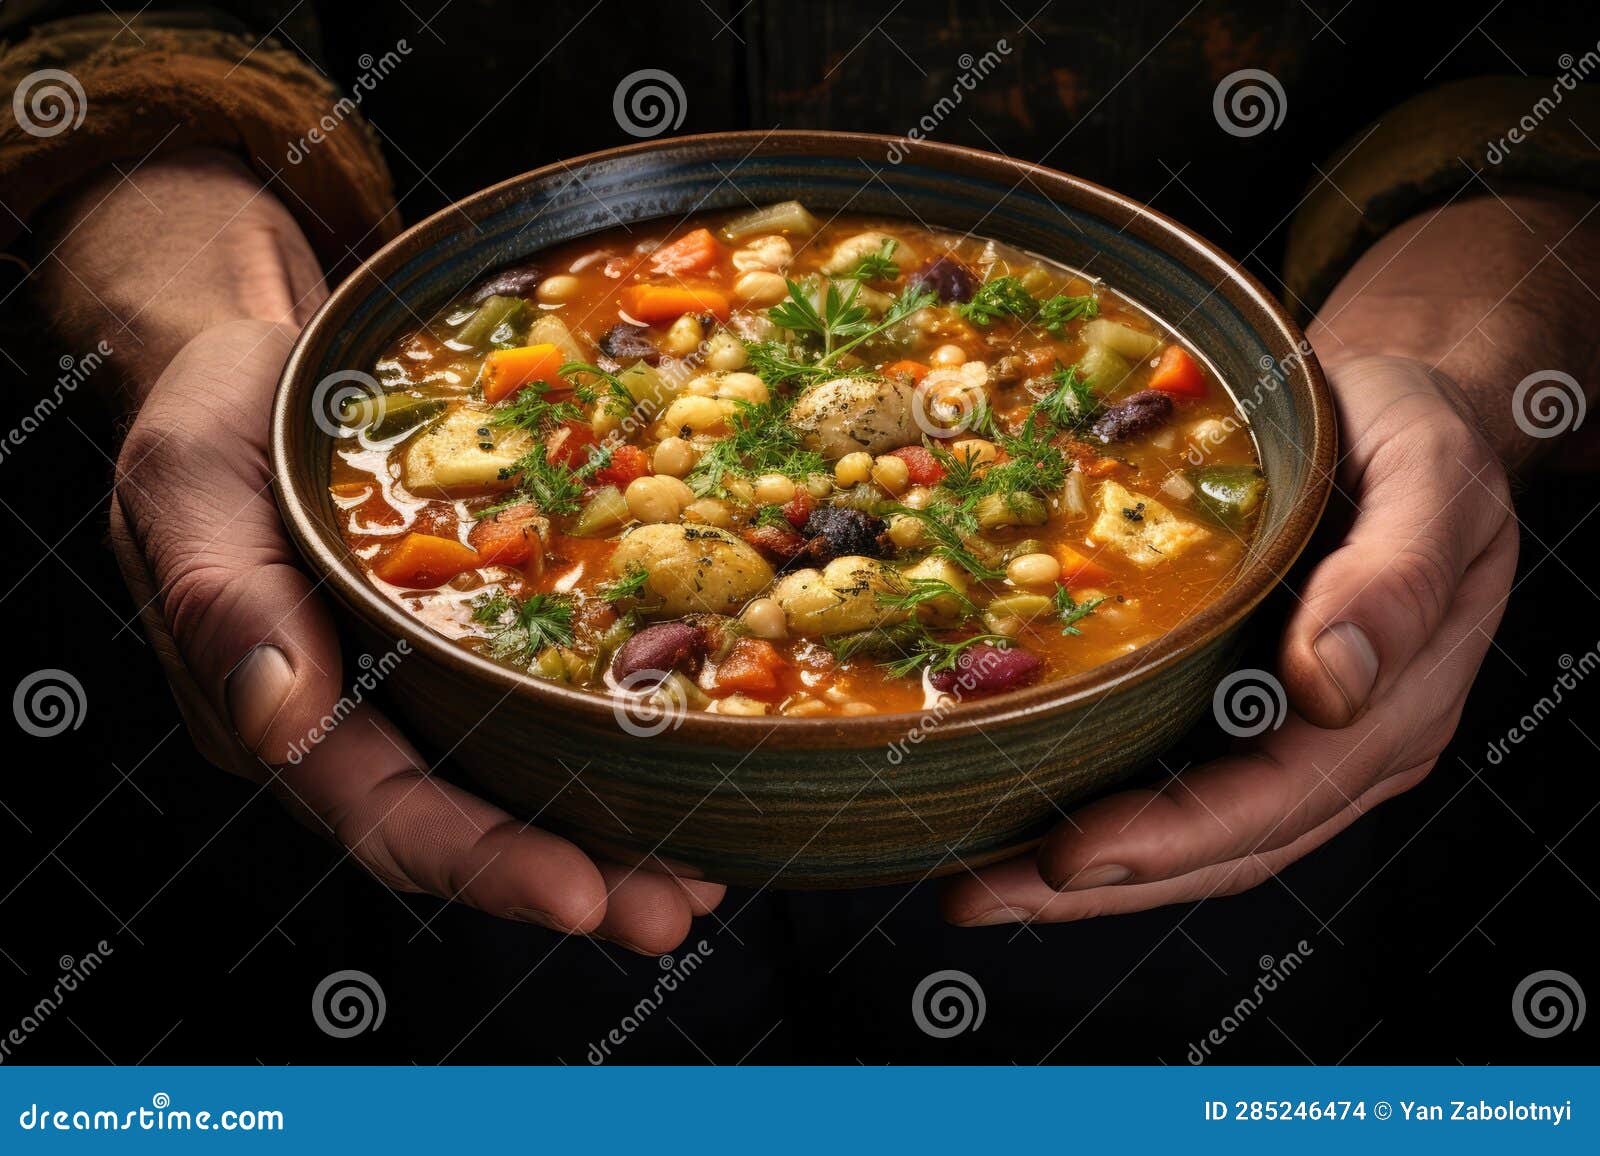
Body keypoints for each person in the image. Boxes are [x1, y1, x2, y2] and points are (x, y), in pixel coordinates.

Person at [3, 4, 1597, 959]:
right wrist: (205, 314)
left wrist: (1457, 360)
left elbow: (1547, 61)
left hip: (1212, 773)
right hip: (377, 783)